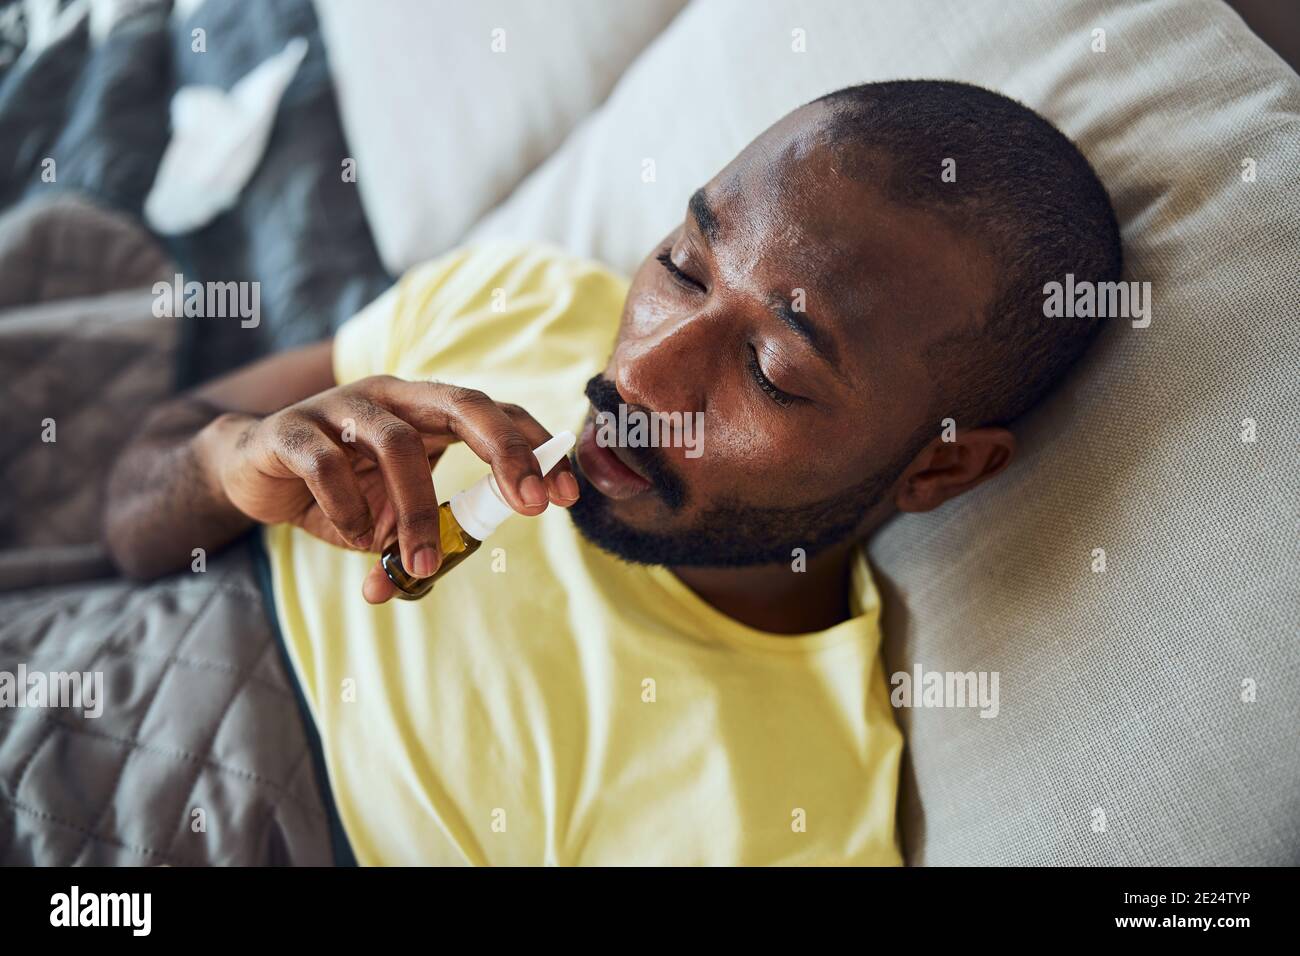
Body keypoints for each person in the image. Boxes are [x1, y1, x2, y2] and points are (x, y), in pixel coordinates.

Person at [103, 80, 1121, 865]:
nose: (639, 372)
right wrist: (228, 467)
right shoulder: (517, 297)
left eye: (772, 369)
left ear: (940, 464)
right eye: (684, 266)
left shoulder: (780, 815)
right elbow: (126, 512)